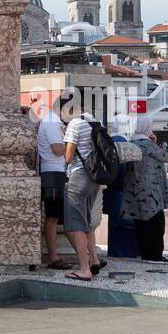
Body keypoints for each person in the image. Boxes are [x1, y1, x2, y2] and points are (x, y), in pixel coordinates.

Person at [62, 112, 105, 282]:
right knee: (86, 222)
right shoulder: (95, 121)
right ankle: (94, 260)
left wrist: (64, 139)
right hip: (95, 176)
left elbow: (68, 157)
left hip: (79, 176)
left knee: (76, 224)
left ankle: (84, 269)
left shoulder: (74, 124)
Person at [121, 118, 168, 261]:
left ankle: (145, 254)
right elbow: (164, 157)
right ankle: (155, 255)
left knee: (141, 223)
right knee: (155, 224)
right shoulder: (149, 145)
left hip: (134, 190)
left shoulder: (131, 144)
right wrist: (155, 142)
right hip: (151, 192)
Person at [35, 106, 68, 269]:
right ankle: (53, 257)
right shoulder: (52, 123)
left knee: (57, 217)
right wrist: (72, 143)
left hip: (54, 171)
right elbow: (57, 150)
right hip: (54, 172)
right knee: (53, 217)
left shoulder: (51, 121)